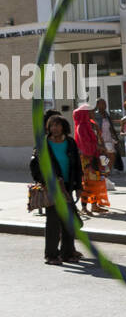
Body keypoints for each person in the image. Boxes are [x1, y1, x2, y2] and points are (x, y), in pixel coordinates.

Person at [29, 113, 83, 265]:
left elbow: (77, 166)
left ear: (63, 127)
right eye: (52, 125)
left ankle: (67, 253)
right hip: (52, 187)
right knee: (53, 222)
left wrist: (79, 186)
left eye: (57, 125)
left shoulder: (71, 143)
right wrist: (44, 182)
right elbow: (35, 166)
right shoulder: (43, 144)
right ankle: (51, 255)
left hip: (67, 186)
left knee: (68, 221)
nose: (55, 128)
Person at [73, 104, 110, 217]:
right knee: (87, 183)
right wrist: (99, 147)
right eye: (91, 111)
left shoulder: (92, 124)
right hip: (87, 159)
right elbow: (85, 144)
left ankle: (95, 205)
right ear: (85, 113)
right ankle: (84, 207)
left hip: (97, 157)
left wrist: (102, 148)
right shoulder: (82, 127)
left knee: (97, 181)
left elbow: (99, 138)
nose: (94, 113)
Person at [93, 98, 119, 191]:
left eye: (105, 103)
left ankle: (106, 176)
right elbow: (94, 129)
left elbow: (110, 127)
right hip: (101, 141)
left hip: (109, 140)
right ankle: (104, 178)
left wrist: (115, 137)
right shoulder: (95, 115)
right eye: (102, 104)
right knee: (104, 160)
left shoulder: (106, 114)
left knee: (111, 158)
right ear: (97, 105)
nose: (104, 105)